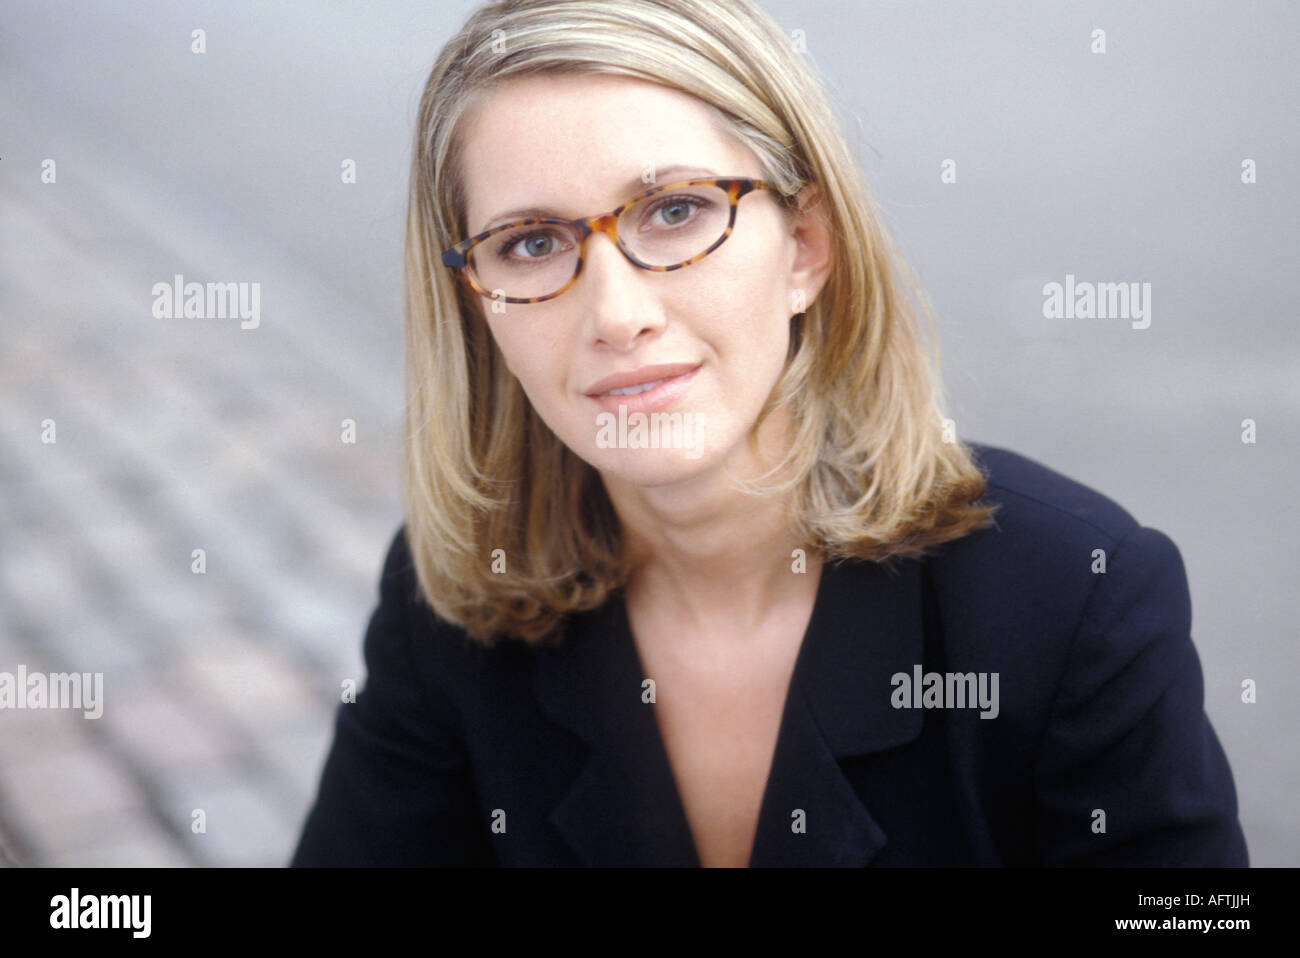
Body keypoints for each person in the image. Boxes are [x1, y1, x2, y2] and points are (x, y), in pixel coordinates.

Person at [290, 0, 1248, 867]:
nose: (615, 314)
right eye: (532, 243)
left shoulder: (1072, 594)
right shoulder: (454, 604)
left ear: (805, 248)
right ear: (476, 306)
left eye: (675, 212)